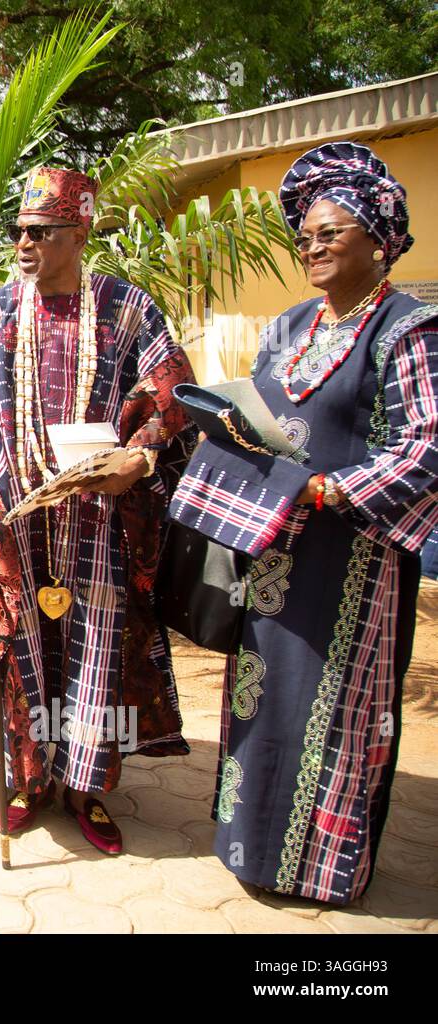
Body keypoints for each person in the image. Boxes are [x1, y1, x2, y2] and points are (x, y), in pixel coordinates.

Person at [170, 142, 438, 904]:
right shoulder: (290, 325)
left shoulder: (407, 329)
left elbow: (428, 446)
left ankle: (322, 867)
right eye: (307, 235)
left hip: (353, 561)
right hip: (274, 549)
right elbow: (260, 413)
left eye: (330, 233)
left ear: (379, 237)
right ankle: (250, 847)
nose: (311, 245)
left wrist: (333, 491)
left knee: (338, 708)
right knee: (263, 693)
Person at [0, 167, 194, 854]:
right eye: (19, 233)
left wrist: (140, 455)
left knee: (92, 650)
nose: (24, 245)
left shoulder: (127, 310)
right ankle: (27, 778)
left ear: (80, 232)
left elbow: (174, 392)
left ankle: (86, 785)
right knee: (21, 649)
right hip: (16, 519)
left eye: (41, 233)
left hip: (97, 523)